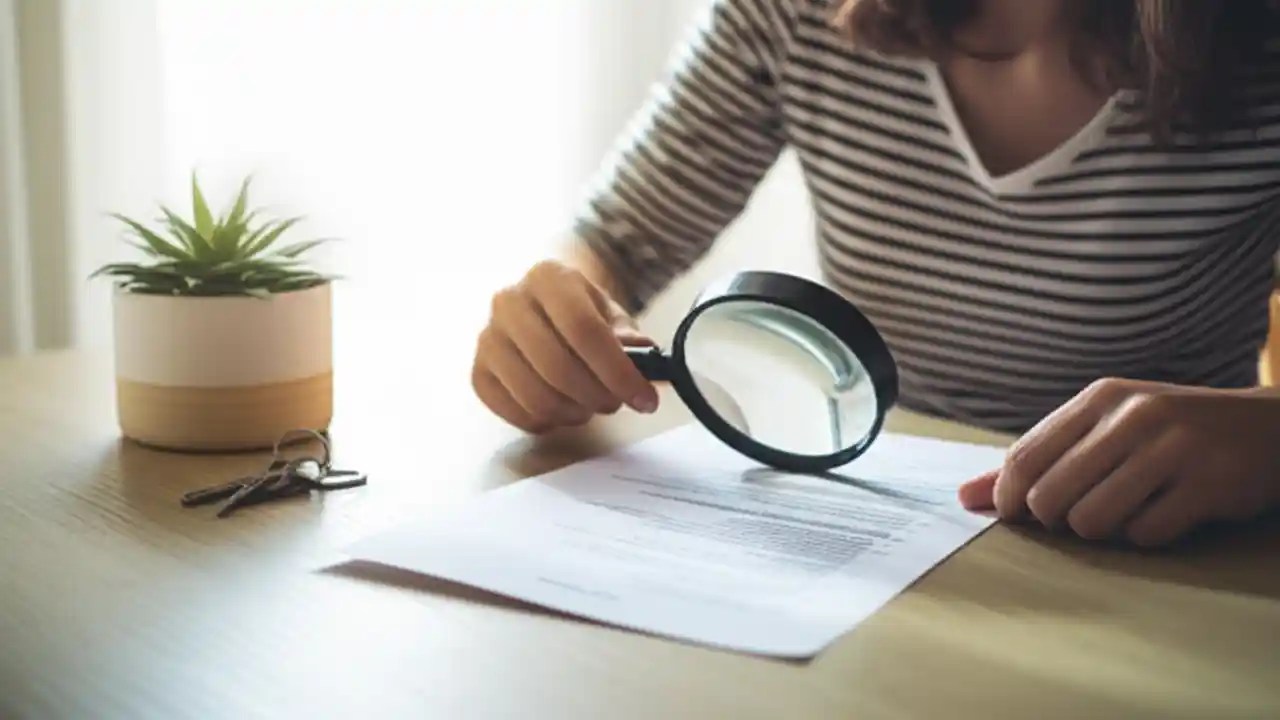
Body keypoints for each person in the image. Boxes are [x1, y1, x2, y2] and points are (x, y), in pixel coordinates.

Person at [471, 0, 1280, 547]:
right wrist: (554, 317)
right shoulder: (793, 14)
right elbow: (616, 239)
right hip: (877, 543)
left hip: (1172, 569)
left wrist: (1265, 435)